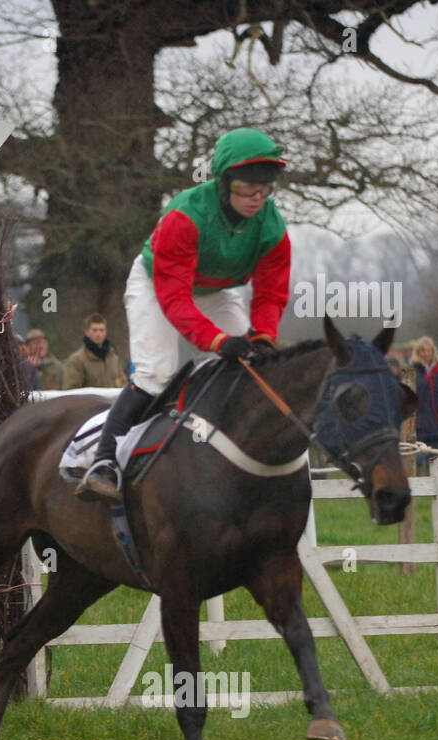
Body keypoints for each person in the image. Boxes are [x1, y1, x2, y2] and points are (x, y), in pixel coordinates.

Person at [82, 127, 290, 499]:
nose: (257, 196)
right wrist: (215, 339)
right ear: (224, 181)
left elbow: (272, 293)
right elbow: (175, 297)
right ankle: (104, 461)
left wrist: (263, 335)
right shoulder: (186, 215)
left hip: (214, 290)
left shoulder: (272, 226)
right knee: (156, 373)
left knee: (253, 363)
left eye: (266, 186)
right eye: (247, 185)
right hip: (157, 284)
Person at [62, 314, 127, 389]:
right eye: (94, 330)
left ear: (105, 332)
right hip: (88, 400)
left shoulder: (114, 358)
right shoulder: (76, 361)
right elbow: (71, 391)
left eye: (101, 330)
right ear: (87, 332)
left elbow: (122, 384)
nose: (98, 334)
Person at [412, 336, 438, 469]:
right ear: (418, 353)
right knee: (417, 463)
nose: (426, 354)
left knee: (436, 463)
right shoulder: (412, 373)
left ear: (433, 352)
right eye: (423, 351)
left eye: (429, 350)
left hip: (437, 426)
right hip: (419, 427)